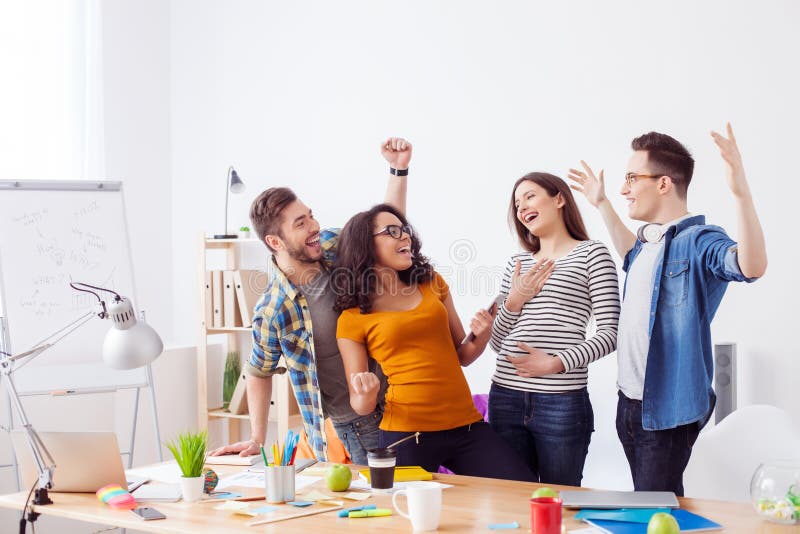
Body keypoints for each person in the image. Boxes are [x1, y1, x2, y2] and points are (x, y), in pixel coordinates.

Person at [567, 124, 767, 495]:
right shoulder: (650, 243)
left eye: (631, 178)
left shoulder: (699, 241)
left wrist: (741, 194)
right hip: (630, 403)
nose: (624, 188)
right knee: (658, 505)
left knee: (656, 510)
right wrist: (602, 203)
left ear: (663, 184)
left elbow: (750, 266)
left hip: (665, 410)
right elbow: (631, 255)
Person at [209, 138, 413, 464]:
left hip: (399, 397)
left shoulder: (332, 245)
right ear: (274, 241)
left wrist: (398, 170)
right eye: (300, 223)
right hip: (359, 422)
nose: (314, 226)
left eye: (311, 215)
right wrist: (257, 438)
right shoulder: (274, 308)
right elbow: (258, 371)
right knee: (386, 503)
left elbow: (386, 229)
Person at [333, 203, 536, 481]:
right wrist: (366, 392)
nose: (405, 236)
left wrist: (483, 332)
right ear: (364, 245)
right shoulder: (352, 317)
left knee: (521, 489)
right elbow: (361, 405)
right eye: (392, 231)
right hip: (406, 433)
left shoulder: (431, 283)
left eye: (404, 230)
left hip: (465, 426)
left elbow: (462, 354)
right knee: (405, 517)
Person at [489, 172, 620, 486]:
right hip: (505, 396)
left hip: (560, 401)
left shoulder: (591, 254)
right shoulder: (517, 262)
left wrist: (555, 363)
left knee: (560, 499)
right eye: (517, 203)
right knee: (511, 499)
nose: (522, 208)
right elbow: (496, 341)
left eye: (530, 196)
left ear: (559, 198)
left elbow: (611, 333)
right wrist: (516, 300)